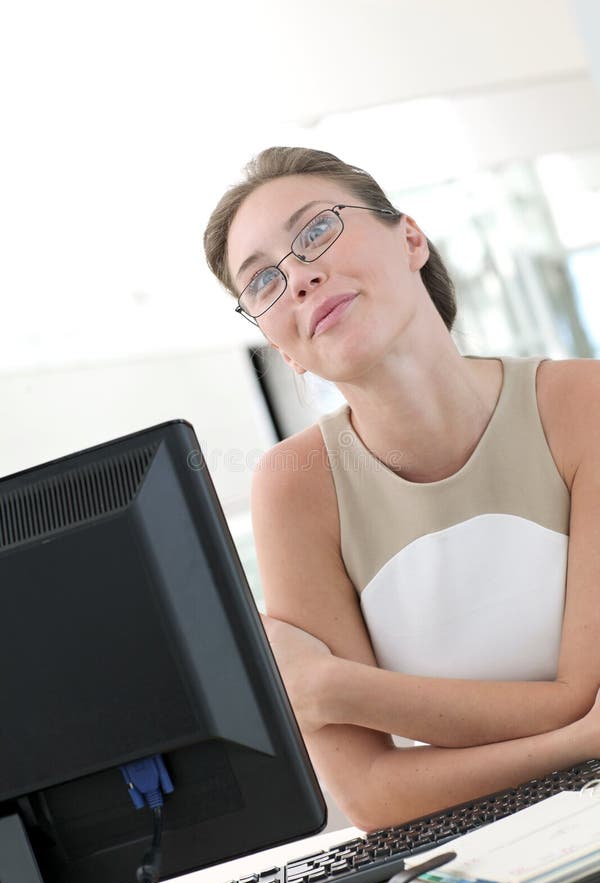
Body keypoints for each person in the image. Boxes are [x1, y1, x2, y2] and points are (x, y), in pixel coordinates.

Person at [204, 146, 600, 833]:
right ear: (282, 347)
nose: (298, 276)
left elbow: (579, 698)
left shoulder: (584, 405)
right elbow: (371, 799)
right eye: (263, 281)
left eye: (316, 231)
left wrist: (337, 689)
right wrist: (582, 741)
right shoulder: (294, 488)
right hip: (480, 862)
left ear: (411, 238)